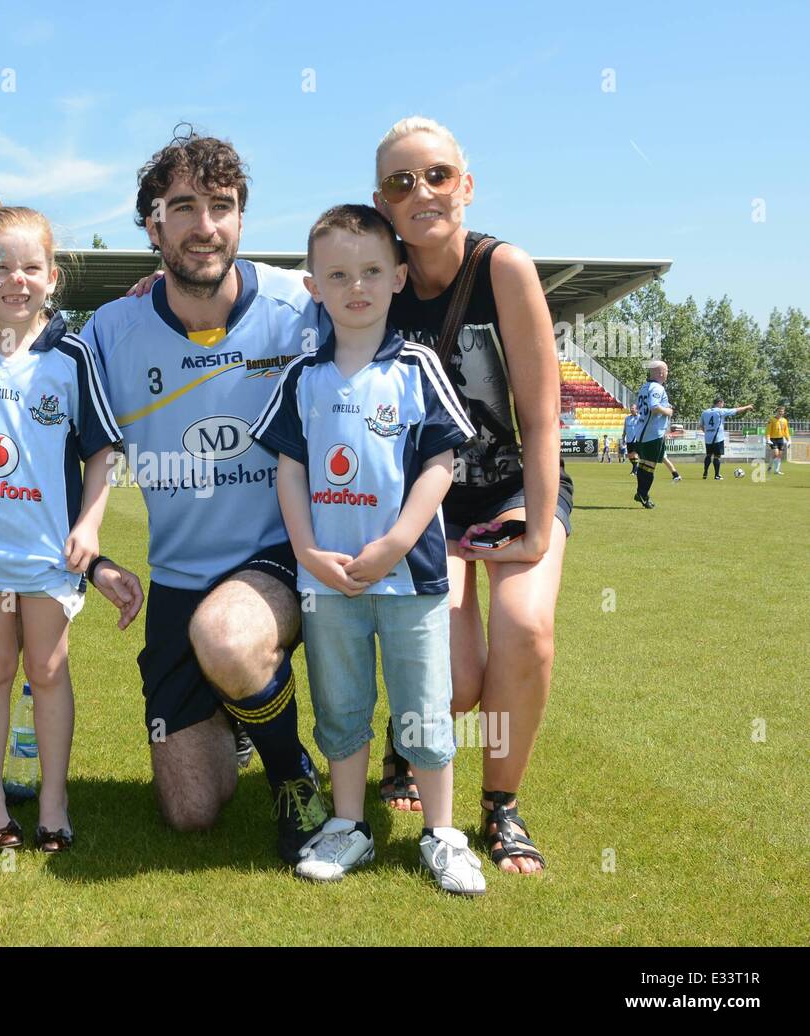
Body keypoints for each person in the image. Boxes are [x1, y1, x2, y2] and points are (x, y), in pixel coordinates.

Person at [91, 128, 330, 863]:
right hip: (180, 581)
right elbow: (73, 450)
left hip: (284, 560)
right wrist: (92, 557)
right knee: (190, 812)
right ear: (152, 225)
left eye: (222, 206)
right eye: (183, 207)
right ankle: (245, 708)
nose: (205, 226)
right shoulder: (111, 329)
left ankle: (297, 779)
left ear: (241, 219)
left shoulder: (304, 305)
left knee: (229, 635)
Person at [251, 205, 484, 893]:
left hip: (408, 579)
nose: (357, 286)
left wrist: (396, 542)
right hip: (328, 581)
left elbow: (441, 463)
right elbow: (288, 470)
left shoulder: (417, 367)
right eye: (339, 274)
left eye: (373, 271)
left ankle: (441, 833)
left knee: (423, 706)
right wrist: (307, 552)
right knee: (342, 707)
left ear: (399, 278)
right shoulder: (302, 377)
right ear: (314, 286)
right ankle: (348, 825)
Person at [373, 116, 569, 873]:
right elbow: (294, 285)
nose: (421, 192)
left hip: (511, 485)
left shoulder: (503, 268)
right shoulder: (376, 274)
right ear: (382, 202)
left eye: (437, 176)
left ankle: (501, 804)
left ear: (466, 184)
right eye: (400, 182)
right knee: (454, 681)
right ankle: (403, 743)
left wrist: (539, 528)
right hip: (429, 497)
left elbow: (541, 415)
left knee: (526, 628)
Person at [0, 194, 124, 852]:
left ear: (52, 277)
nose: (16, 280)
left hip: (48, 553)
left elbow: (103, 451)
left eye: (31, 267)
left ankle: (51, 802)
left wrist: (91, 527)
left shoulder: (71, 357)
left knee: (46, 671)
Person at [627, 360, 673, 506]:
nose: (667, 373)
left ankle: (640, 493)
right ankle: (643, 494)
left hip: (642, 431)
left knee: (643, 465)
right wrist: (668, 411)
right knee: (650, 465)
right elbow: (654, 407)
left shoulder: (644, 387)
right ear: (660, 372)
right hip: (652, 432)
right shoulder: (657, 388)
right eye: (666, 371)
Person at [700, 396, 754, 480]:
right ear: (719, 403)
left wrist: (707, 433)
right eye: (722, 403)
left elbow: (701, 425)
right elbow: (736, 410)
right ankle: (717, 475)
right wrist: (747, 407)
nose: (723, 405)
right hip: (718, 437)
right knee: (717, 456)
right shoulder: (721, 411)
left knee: (708, 455)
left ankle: (705, 473)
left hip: (708, 438)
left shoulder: (705, 412)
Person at [767, 405, 790, 474]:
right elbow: (768, 430)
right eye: (779, 411)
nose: (781, 412)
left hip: (781, 439)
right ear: (777, 412)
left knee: (779, 455)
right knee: (776, 454)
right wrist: (768, 439)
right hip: (773, 439)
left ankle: (776, 470)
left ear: (784, 412)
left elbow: (786, 431)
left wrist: (788, 440)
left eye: (782, 411)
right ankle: (770, 467)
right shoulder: (771, 419)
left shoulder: (784, 420)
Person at [623, 406, 638, 472]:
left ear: (636, 409)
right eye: (631, 408)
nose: (631, 409)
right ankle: (636, 468)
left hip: (636, 439)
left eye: (633, 408)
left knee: (634, 454)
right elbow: (625, 428)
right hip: (629, 439)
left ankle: (634, 470)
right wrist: (623, 436)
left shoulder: (640, 417)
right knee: (630, 456)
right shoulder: (627, 418)